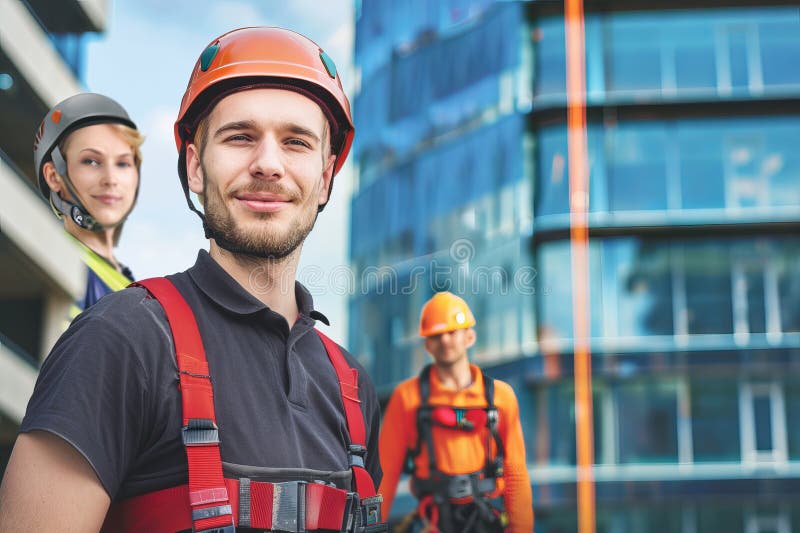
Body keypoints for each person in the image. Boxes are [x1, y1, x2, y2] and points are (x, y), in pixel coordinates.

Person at [0, 27, 386, 532]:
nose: (268, 164)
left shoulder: (351, 387)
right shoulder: (119, 342)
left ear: (326, 176)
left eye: (296, 142)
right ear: (195, 167)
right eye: (240, 137)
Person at [378, 292, 534, 532]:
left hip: (487, 520)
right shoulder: (408, 399)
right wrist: (370, 525)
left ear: (469, 336)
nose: (445, 341)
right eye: (437, 335)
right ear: (428, 344)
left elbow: (516, 474)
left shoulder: (501, 397)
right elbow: (385, 474)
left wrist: (521, 528)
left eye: (452, 332)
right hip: (435, 523)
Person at [33, 93, 143, 316]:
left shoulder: (133, 287)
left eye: (123, 163)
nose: (111, 179)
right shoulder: (52, 258)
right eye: (91, 161)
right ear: (54, 176)